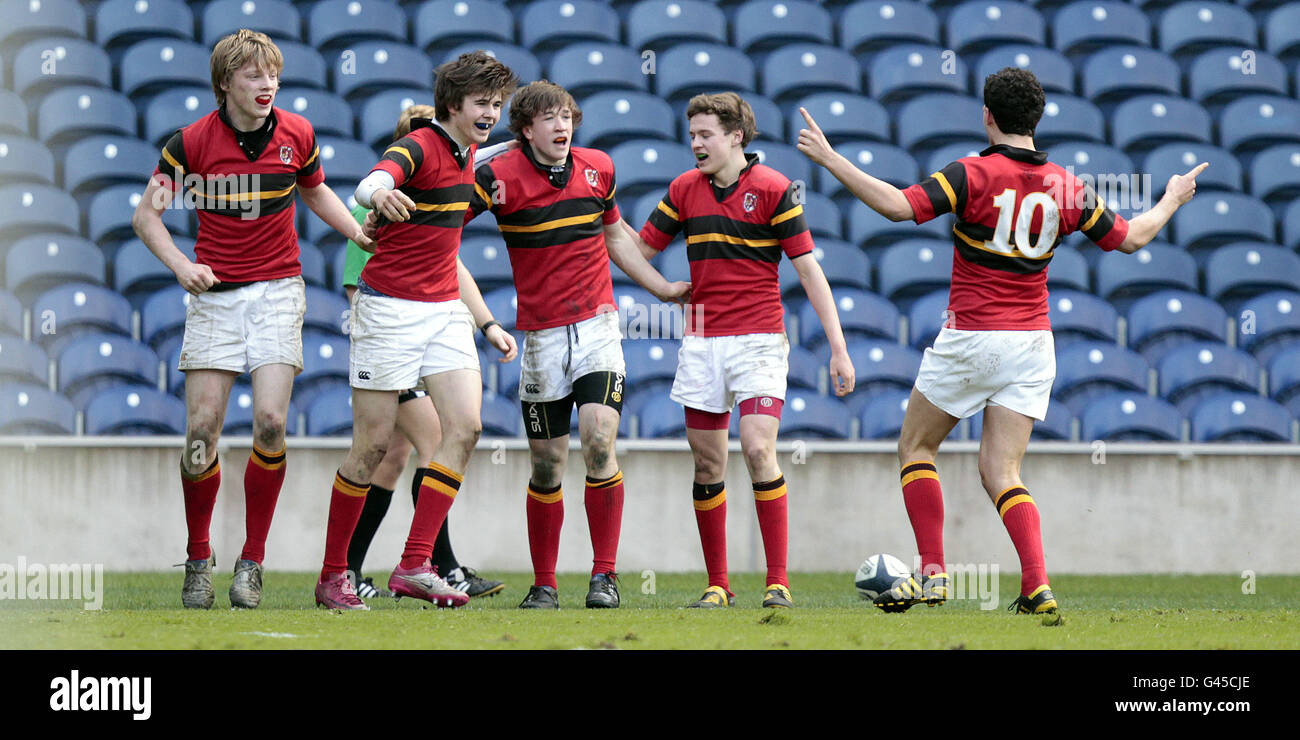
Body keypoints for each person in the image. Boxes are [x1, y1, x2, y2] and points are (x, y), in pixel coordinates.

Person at [797, 67, 1208, 620]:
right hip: (1033, 344)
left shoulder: (971, 173)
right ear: (1036, 120)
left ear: (987, 115)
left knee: (916, 448)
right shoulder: (1068, 186)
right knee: (1002, 473)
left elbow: (900, 207)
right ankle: (1037, 586)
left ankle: (934, 572)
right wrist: (1173, 198)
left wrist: (830, 159)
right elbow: (1132, 238)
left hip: (972, 335)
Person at [131, 29, 373, 609]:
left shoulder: (298, 134)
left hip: (278, 293)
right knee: (200, 434)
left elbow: (315, 193)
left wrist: (359, 233)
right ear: (224, 83)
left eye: (272, 74)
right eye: (253, 75)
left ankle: (252, 561)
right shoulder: (187, 145)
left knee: (269, 422)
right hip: (214, 297)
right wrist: (181, 266)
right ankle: (197, 557)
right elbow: (147, 217)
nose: (267, 85)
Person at [464, 81, 691, 609]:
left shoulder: (598, 169)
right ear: (525, 130)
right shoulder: (496, 178)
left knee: (597, 439)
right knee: (546, 463)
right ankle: (544, 583)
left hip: (597, 327)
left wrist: (661, 288)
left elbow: (615, 236)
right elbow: (444, 230)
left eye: (566, 116)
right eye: (548, 118)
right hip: (540, 338)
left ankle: (604, 577)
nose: (561, 126)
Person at [313, 51, 519, 611]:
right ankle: (334, 575)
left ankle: (414, 565)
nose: (490, 112)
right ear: (452, 104)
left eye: (497, 104)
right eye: (482, 102)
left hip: (443, 313)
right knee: (373, 447)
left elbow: (499, 149)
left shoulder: (468, 151)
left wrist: (487, 323)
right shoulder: (419, 144)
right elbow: (372, 180)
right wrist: (377, 194)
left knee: (466, 428)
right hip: (388, 311)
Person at [635, 92, 856, 609]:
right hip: (702, 342)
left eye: (705, 134)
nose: (695, 144)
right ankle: (719, 584)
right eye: (691, 135)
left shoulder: (775, 189)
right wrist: (598, 223)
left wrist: (838, 349)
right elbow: (640, 249)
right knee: (708, 465)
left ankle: (777, 582)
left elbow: (808, 270)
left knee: (758, 449)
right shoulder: (684, 190)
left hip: (759, 342)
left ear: (736, 136)